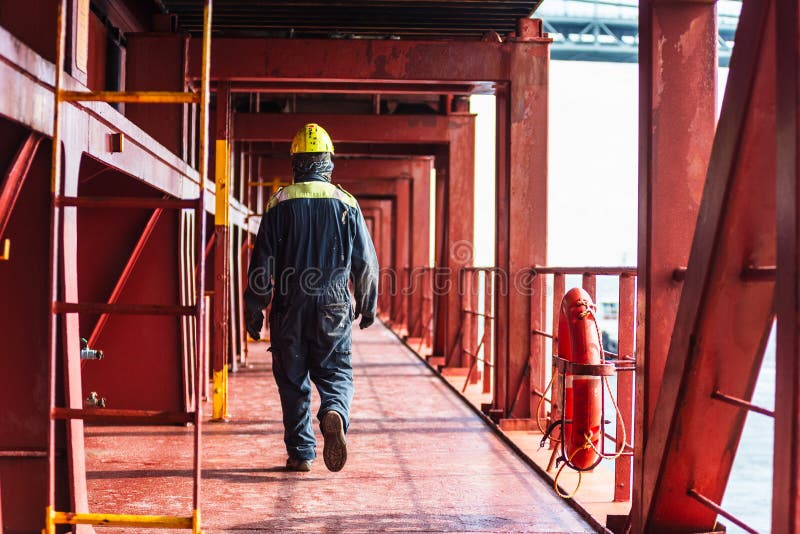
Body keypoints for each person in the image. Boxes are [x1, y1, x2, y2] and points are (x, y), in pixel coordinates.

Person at [243, 123, 379, 473]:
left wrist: (254, 309)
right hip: (333, 304)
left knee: (292, 379)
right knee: (335, 373)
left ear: (296, 162)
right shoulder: (347, 203)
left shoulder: (279, 202)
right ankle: (333, 410)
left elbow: (262, 264)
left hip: (289, 304)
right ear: (328, 162)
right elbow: (365, 261)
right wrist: (367, 304)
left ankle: (302, 453)